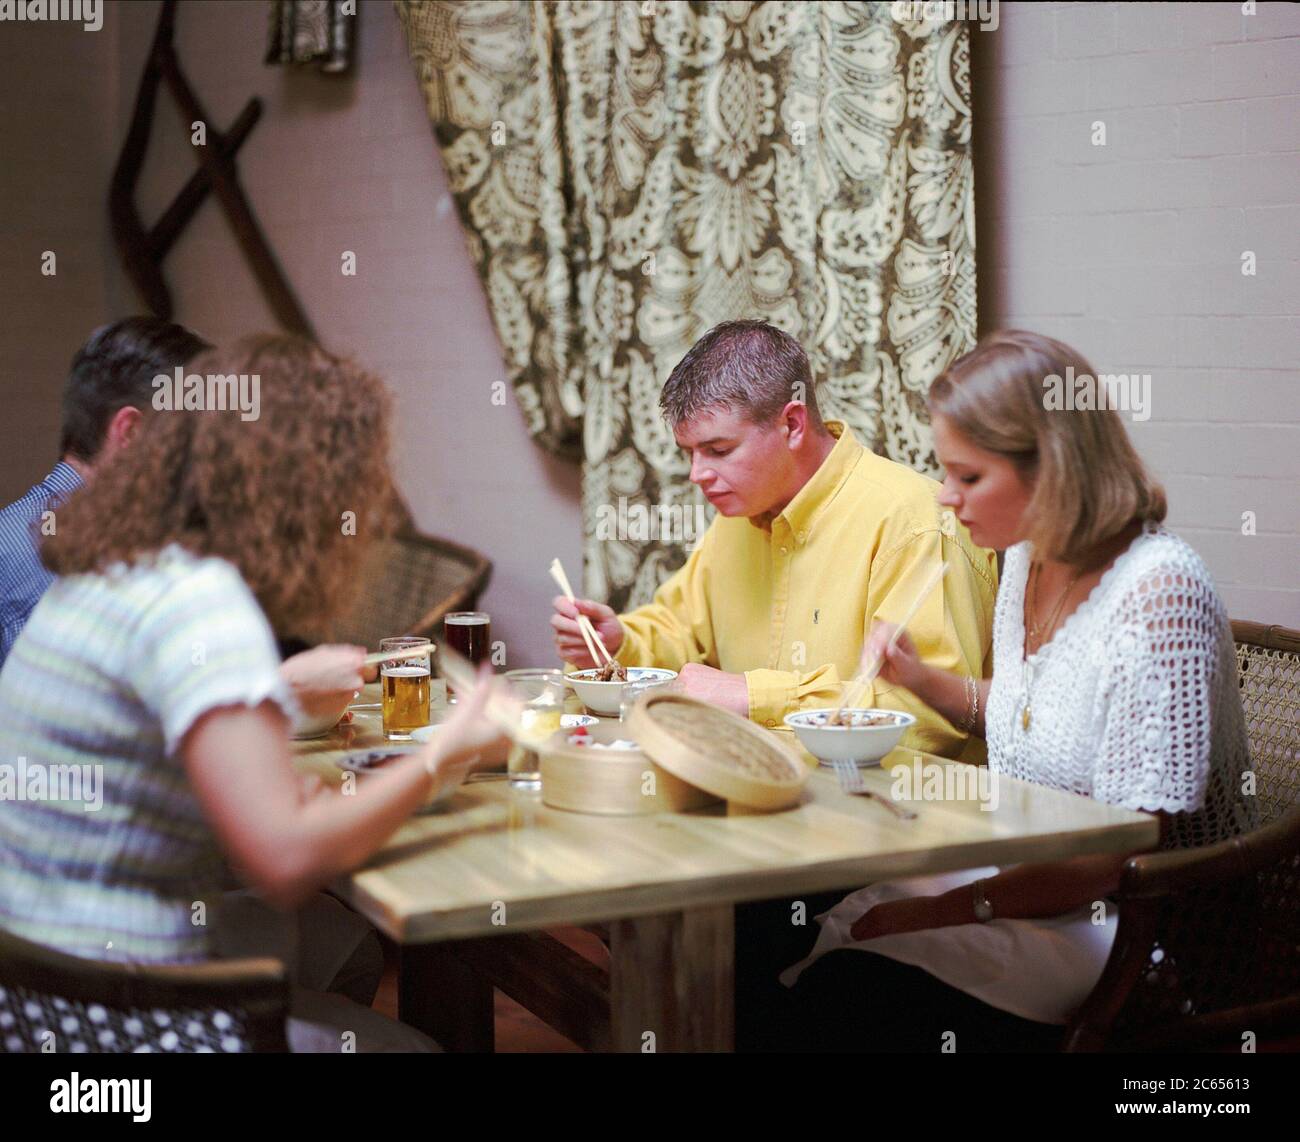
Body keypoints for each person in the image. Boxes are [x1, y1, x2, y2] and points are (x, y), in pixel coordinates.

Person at [0, 334, 509, 1052]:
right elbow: (285, 863)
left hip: (34, 995)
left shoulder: (111, 563)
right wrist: (444, 754)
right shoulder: (200, 599)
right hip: (118, 1024)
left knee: (343, 946)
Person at [754, 330, 1256, 1051]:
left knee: (845, 992)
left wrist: (946, 909)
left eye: (968, 477)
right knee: (775, 920)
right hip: (1032, 877)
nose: (944, 497)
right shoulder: (1028, 556)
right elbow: (1028, 716)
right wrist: (920, 679)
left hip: (1133, 925)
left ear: (1052, 470)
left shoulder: (1158, 594)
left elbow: (1117, 854)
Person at [552, 320, 998, 762]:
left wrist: (754, 696)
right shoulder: (738, 514)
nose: (696, 475)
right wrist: (619, 644)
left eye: (719, 450)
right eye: (689, 453)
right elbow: (681, 628)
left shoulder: (915, 521)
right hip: (760, 793)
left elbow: (931, 717)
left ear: (793, 424)